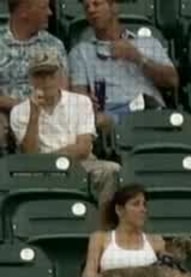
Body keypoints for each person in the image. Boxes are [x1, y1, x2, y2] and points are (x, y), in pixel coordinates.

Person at [9, 53, 119, 201]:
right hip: (40, 171)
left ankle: (101, 222)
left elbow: (83, 148)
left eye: (51, 75)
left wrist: (49, 159)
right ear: (31, 80)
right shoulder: (19, 111)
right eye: (40, 76)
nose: (46, 81)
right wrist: (34, 114)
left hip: (80, 165)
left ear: (60, 77)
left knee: (112, 170)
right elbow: (30, 156)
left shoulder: (81, 102)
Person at [67, 0, 178, 126]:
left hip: (150, 112)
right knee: (97, 121)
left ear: (114, 7)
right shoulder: (81, 52)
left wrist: (137, 57)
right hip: (110, 114)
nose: (91, 10)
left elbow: (172, 81)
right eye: (87, 7)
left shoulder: (148, 43)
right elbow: (78, 95)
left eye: (96, 4)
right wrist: (87, 102)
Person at [82, 184, 191, 277]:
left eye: (144, 205)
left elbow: (175, 269)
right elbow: (89, 272)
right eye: (136, 204)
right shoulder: (99, 238)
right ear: (119, 210)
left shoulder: (155, 240)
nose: (143, 209)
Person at [0, 0, 66, 127]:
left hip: (46, 116)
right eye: (43, 8)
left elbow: (62, 92)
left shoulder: (54, 45)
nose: (50, 13)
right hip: (4, 115)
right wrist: (21, 107)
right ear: (24, 12)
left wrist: (35, 110)